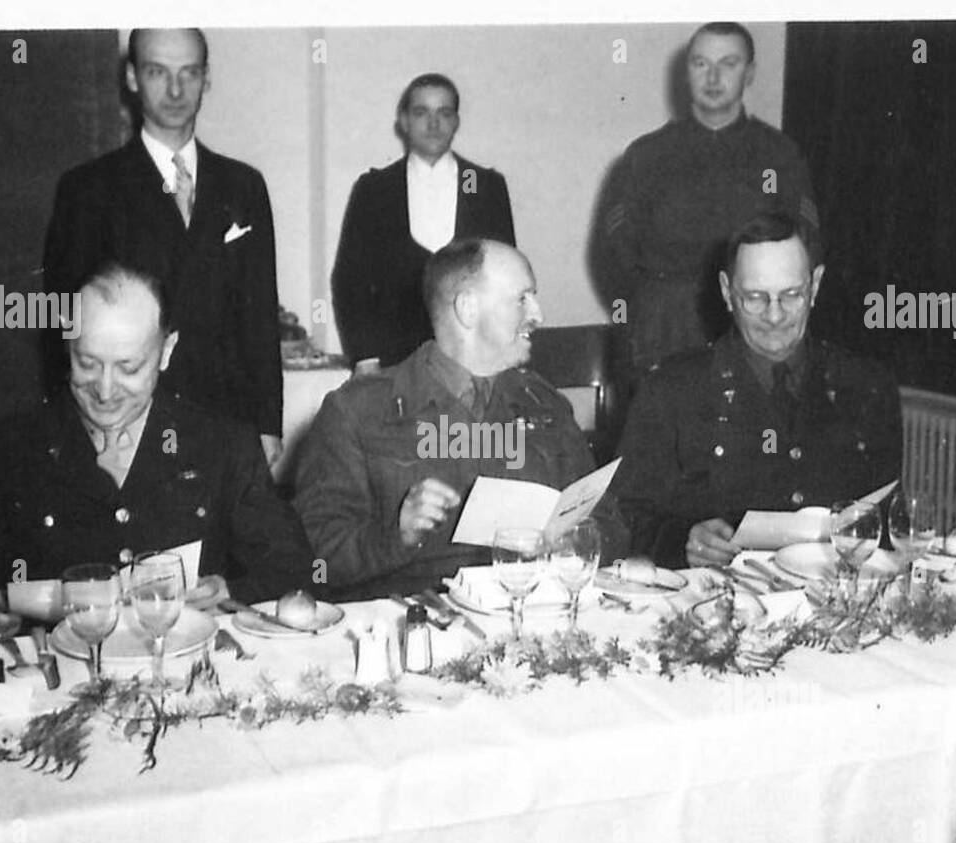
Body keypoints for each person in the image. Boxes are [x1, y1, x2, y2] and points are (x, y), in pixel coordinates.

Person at [0, 261, 313, 640]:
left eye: (129, 368)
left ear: (167, 350)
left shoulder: (222, 446)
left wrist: (230, 591)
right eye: (87, 363)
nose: (105, 391)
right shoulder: (0, 454)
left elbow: (295, 568)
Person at [298, 238, 627, 599]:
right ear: (468, 308)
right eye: (522, 299)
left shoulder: (546, 406)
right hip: (407, 616)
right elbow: (316, 562)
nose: (538, 315)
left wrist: (569, 542)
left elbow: (610, 525)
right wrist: (396, 535)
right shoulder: (357, 411)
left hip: (525, 611)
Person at [43, 28, 285, 466]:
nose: (175, 90)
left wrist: (268, 425)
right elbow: (63, 320)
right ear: (132, 78)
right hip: (127, 422)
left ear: (207, 78)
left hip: (227, 422)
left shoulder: (243, 185)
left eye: (188, 73)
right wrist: (73, 433)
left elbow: (260, 318)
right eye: (158, 72)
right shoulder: (89, 188)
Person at [612, 212, 900, 567]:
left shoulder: (867, 386)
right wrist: (682, 541)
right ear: (726, 292)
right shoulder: (671, 392)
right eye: (755, 297)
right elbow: (623, 518)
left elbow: (885, 523)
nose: (774, 316)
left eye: (791, 295)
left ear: (815, 287)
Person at [597, 22, 819, 369]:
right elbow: (613, 252)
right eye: (701, 64)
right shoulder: (647, 156)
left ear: (749, 73)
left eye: (728, 64)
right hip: (666, 330)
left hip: (752, 324)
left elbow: (807, 244)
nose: (713, 78)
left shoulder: (779, 156)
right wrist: (651, 310)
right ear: (687, 72)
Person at [332, 73, 516, 369]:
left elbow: (506, 276)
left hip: (471, 358)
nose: (433, 124)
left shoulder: (481, 184)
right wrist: (365, 357)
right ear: (404, 122)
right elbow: (350, 280)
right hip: (395, 360)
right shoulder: (375, 189)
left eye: (444, 113)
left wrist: (500, 352)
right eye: (421, 113)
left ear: (456, 122)